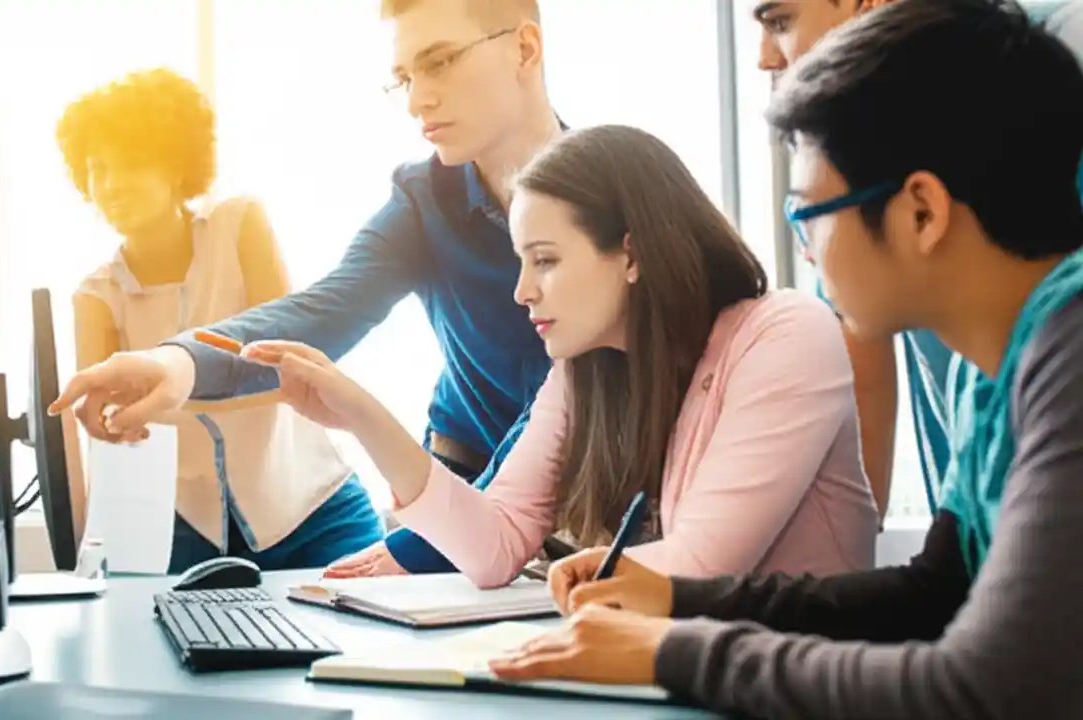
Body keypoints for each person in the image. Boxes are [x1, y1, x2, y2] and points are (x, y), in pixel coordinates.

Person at [487, 2, 1083, 717]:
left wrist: (671, 651)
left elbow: (989, 684)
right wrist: (676, 597)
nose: (805, 248)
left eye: (808, 213)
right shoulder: (984, 374)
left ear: (921, 212)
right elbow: (934, 590)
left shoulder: (1070, 355)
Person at [49, 0, 566, 576]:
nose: (419, 99)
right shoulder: (422, 200)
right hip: (461, 487)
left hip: (579, 499)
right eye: (405, 78)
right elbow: (322, 311)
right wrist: (175, 364)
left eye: (440, 62)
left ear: (524, 48)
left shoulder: (627, 192)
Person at [241, 125, 879, 587]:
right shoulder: (587, 371)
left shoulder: (787, 333)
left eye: (544, 260)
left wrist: (561, 577)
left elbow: (703, 567)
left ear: (631, 255)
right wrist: (363, 418)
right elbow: (493, 549)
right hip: (688, 681)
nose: (522, 290)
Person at [753, 0, 1083, 520]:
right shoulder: (853, 178)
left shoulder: (1053, 58)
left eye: (780, 21)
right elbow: (863, 371)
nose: (765, 58)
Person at [55, 68, 381, 572]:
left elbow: (287, 364)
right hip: (187, 533)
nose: (113, 185)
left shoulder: (239, 226)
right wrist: (89, 551)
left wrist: (178, 384)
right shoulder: (97, 297)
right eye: (99, 169)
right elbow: (107, 434)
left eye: (132, 164)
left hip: (313, 510)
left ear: (175, 166)